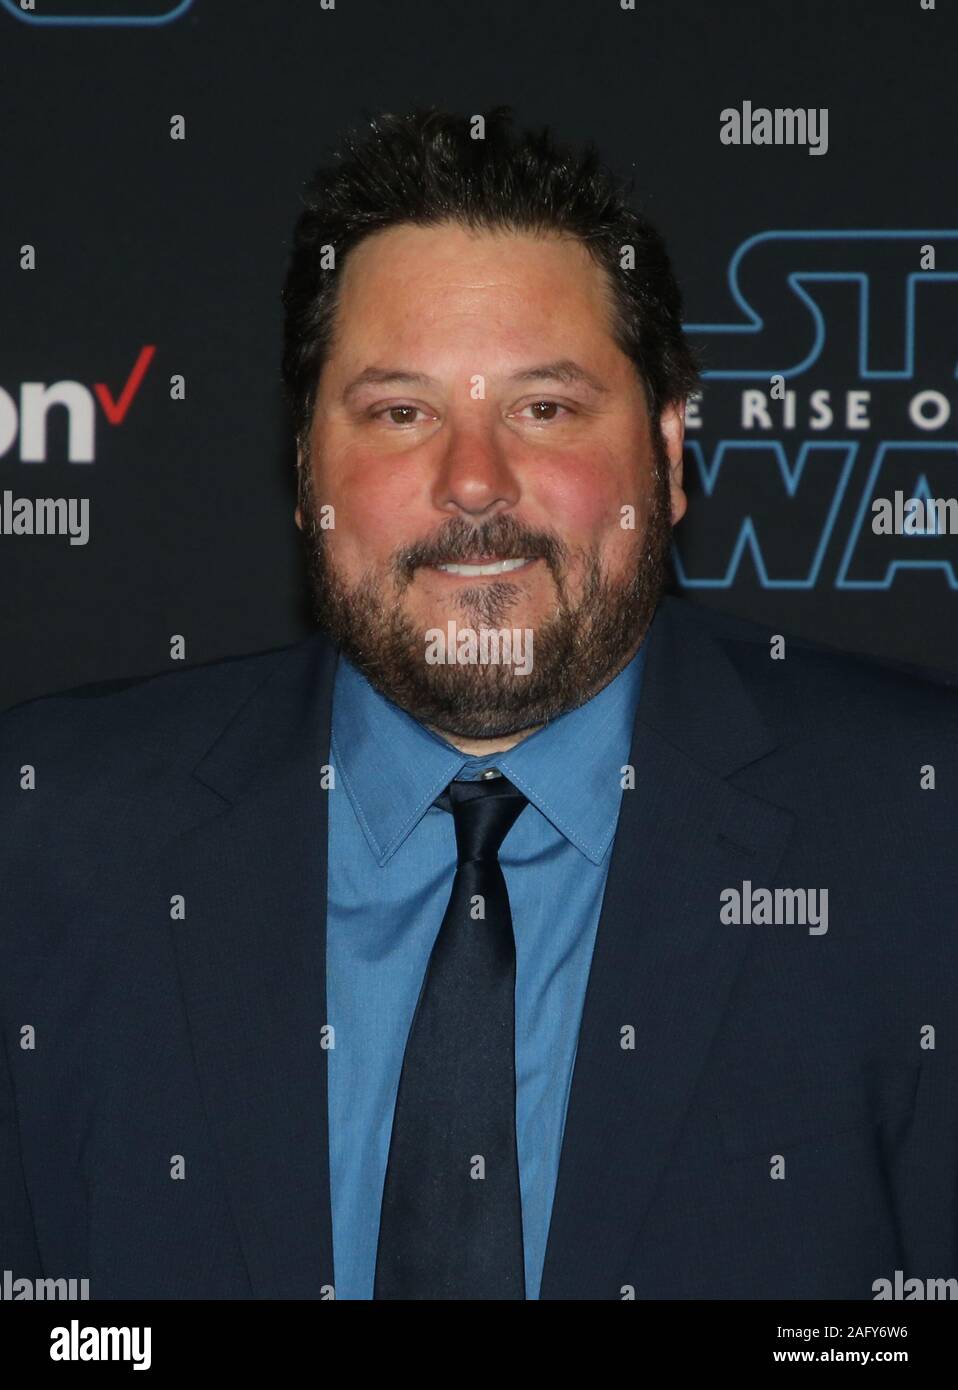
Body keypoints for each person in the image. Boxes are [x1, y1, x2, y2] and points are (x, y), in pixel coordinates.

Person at [2, 107, 956, 1302]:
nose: (472, 482)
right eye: (400, 411)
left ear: (667, 456)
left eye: (543, 407)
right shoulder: (48, 841)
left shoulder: (919, 834)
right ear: (305, 473)